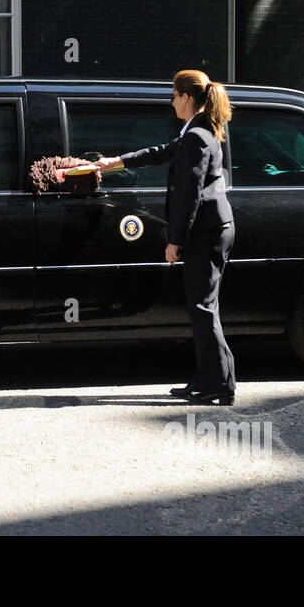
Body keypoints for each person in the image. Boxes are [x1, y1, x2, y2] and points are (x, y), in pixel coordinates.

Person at [94, 70, 236, 405]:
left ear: (186, 97)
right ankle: (206, 378)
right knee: (204, 307)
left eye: (173, 96)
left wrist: (176, 241)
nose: (171, 103)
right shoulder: (199, 131)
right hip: (213, 228)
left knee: (202, 308)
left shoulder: (197, 135)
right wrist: (115, 163)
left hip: (207, 231)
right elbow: (160, 152)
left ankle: (220, 384)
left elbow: (191, 194)